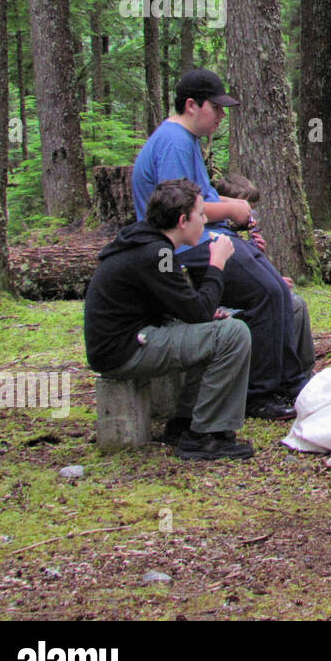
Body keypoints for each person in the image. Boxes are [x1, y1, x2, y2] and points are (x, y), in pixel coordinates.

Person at [131, 70, 313, 421]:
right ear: (191, 105)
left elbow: (199, 204)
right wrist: (233, 208)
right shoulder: (173, 142)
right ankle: (259, 393)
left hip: (206, 238)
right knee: (266, 293)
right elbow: (178, 211)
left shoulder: (185, 141)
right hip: (184, 248)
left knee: (278, 290)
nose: (221, 116)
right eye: (216, 108)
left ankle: (292, 383)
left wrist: (233, 218)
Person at [84, 179, 255, 461]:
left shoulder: (149, 243)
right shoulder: (158, 252)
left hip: (127, 339)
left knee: (219, 329)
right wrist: (217, 264)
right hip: (123, 349)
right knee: (232, 334)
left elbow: (183, 305)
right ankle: (206, 437)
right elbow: (198, 311)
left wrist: (203, 313)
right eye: (200, 215)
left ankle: (186, 423)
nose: (204, 221)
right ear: (182, 220)